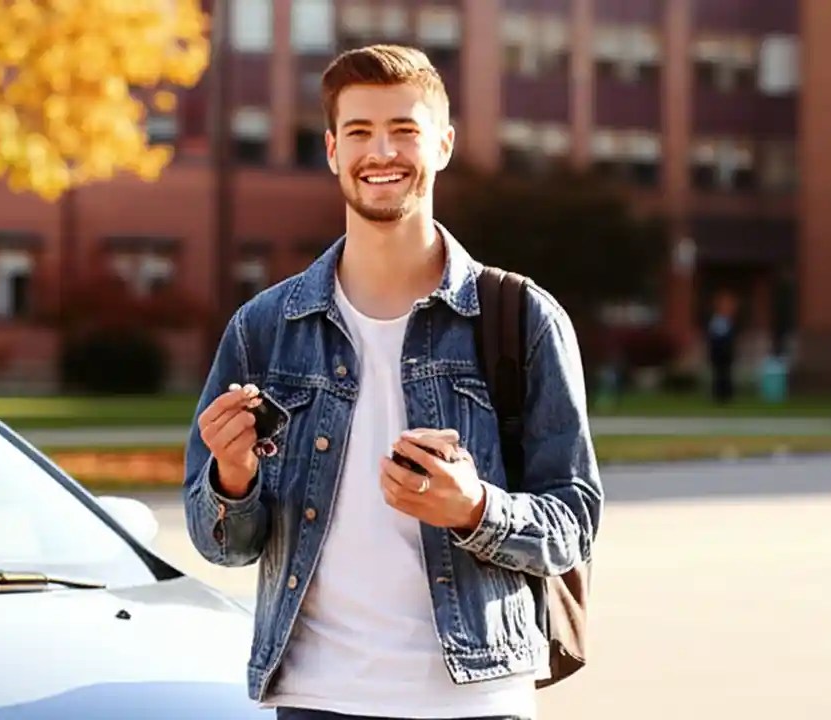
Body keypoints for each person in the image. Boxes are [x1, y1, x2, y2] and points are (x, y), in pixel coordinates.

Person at [182, 44, 602, 720]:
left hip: (477, 698)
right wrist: (232, 478)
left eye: (404, 130)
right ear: (331, 151)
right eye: (359, 133)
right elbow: (221, 544)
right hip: (317, 698)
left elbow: (574, 524)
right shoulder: (264, 328)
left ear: (443, 144)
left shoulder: (521, 319)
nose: (382, 152)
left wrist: (475, 510)